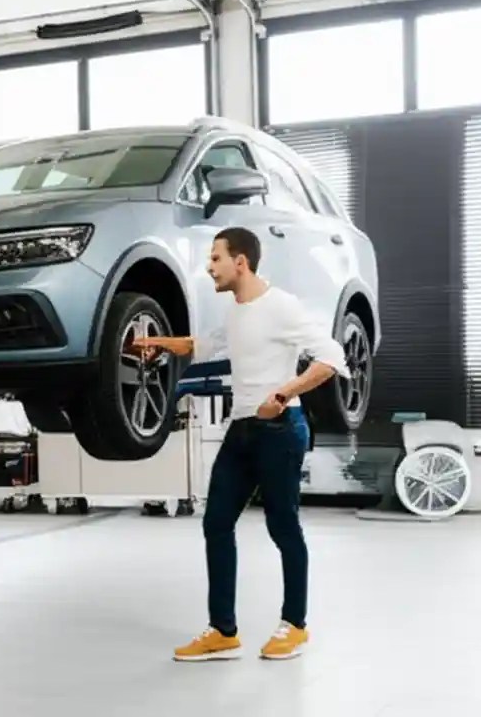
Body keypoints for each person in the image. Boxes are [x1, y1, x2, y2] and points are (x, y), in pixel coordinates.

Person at [142, 227, 348, 661]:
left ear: (241, 262)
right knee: (215, 523)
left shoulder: (281, 306)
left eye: (215, 258)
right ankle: (223, 630)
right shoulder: (235, 310)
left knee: (282, 527)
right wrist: (158, 344)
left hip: (280, 430)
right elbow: (203, 345)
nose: (208, 266)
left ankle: (294, 625)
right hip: (242, 430)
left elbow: (332, 358)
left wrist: (283, 394)